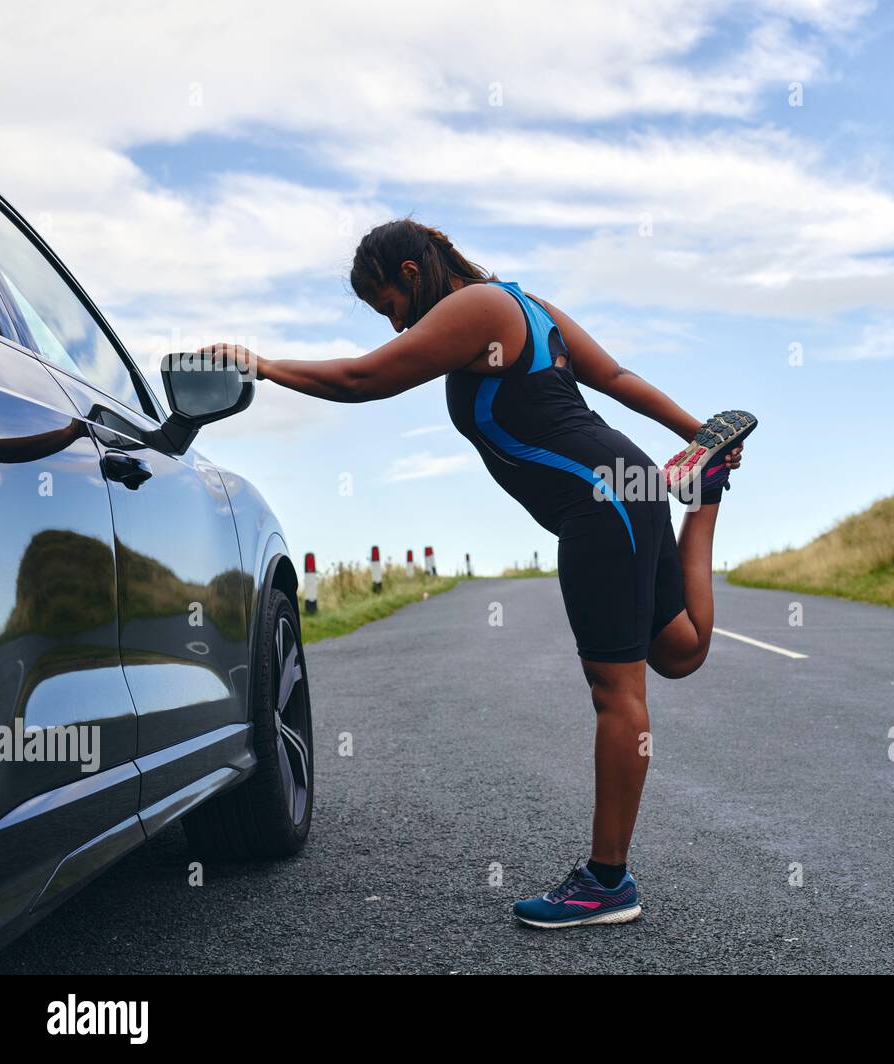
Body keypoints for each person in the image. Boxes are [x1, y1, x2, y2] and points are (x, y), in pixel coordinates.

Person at [202, 219, 756, 928]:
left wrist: (263, 366)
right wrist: (695, 437)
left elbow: (363, 379)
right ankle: (704, 495)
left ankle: (607, 882)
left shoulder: (475, 309)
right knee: (680, 651)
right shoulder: (528, 307)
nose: (396, 322)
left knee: (615, 691)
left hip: (601, 505)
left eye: (388, 307)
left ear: (411, 272)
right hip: (633, 486)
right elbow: (614, 379)